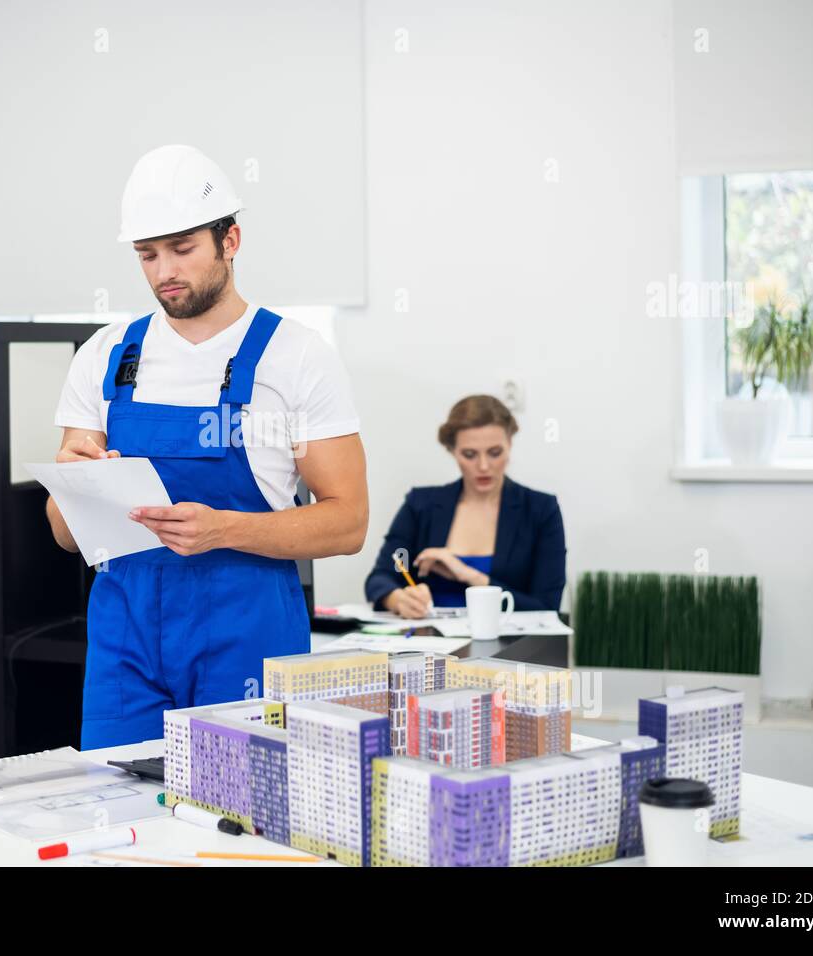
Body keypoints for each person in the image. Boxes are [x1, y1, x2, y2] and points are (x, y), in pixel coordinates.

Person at [47, 144, 368, 748]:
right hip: (126, 639)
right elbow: (65, 536)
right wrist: (73, 488)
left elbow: (349, 523)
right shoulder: (105, 358)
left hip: (245, 634)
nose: (164, 270)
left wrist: (223, 530)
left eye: (183, 248)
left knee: (242, 824)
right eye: (147, 254)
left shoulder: (297, 358)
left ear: (231, 241)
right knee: (120, 824)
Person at [364, 395, 565, 618]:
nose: (483, 466)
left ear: (510, 443)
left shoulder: (540, 510)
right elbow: (382, 576)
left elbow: (547, 605)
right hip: (429, 645)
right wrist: (396, 598)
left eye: (495, 453)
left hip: (511, 648)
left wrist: (470, 576)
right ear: (452, 450)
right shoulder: (421, 506)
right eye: (469, 455)